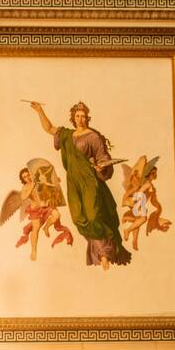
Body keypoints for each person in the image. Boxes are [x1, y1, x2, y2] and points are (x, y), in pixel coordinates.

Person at [29, 99, 131, 270]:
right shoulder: (67, 135)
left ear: (87, 118)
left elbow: (103, 158)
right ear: (73, 118)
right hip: (73, 181)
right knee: (79, 218)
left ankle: (104, 254)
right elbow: (48, 128)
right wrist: (39, 111)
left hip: (90, 181)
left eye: (84, 116)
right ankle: (101, 252)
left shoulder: (93, 137)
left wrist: (100, 165)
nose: (81, 119)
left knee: (93, 216)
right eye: (78, 116)